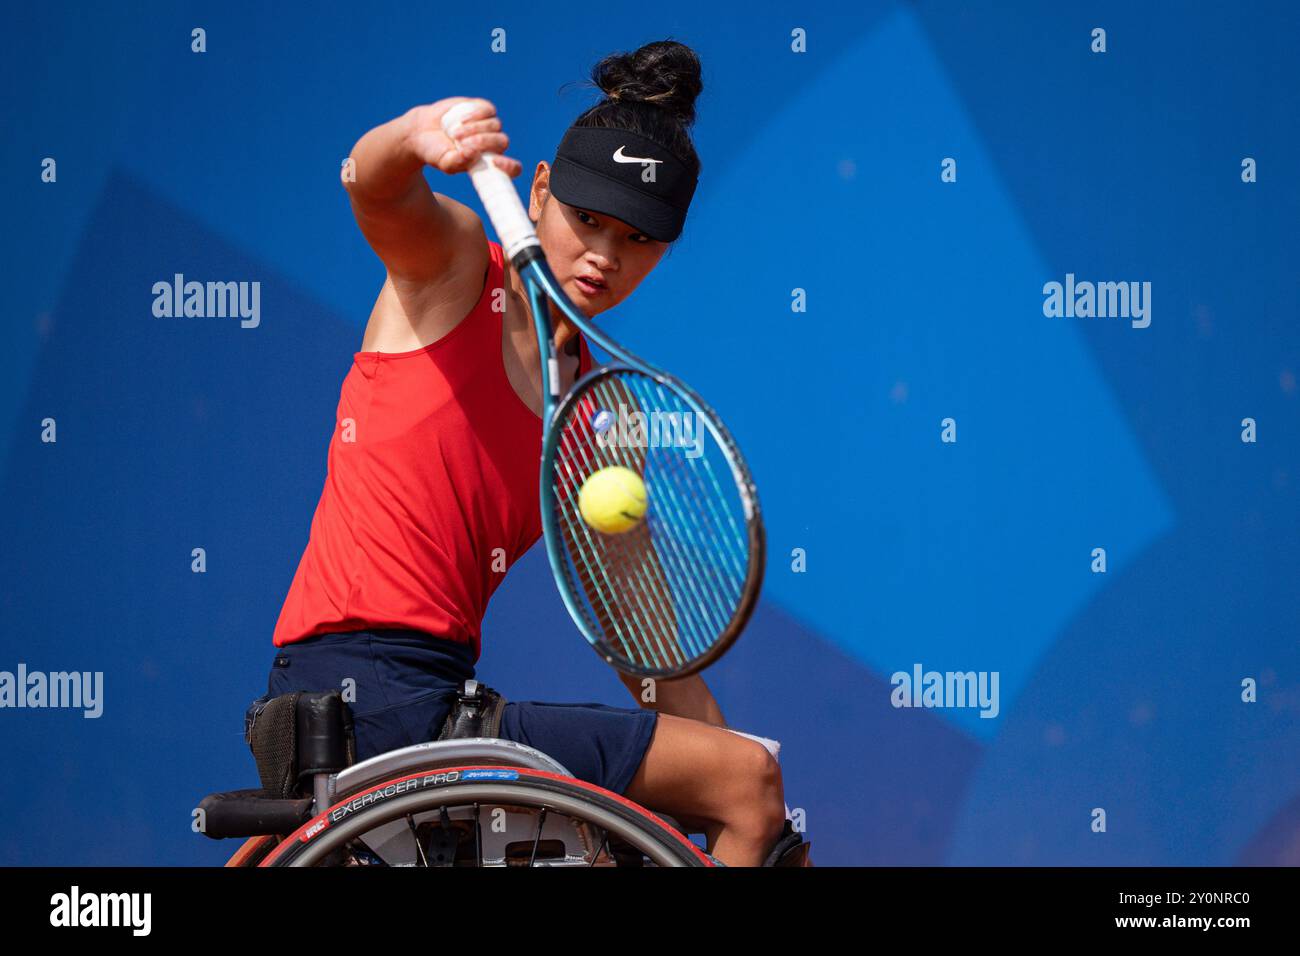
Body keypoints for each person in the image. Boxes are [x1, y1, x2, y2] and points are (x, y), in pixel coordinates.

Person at [258, 40, 798, 866]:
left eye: (638, 238)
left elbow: (645, 653)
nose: (604, 256)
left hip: (438, 702)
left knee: (741, 787)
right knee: (742, 783)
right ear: (538, 189)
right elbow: (373, 186)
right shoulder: (452, 270)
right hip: (359, 699)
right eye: (586, 219)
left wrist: (756, 800)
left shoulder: (597, 420)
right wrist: (416, 132)